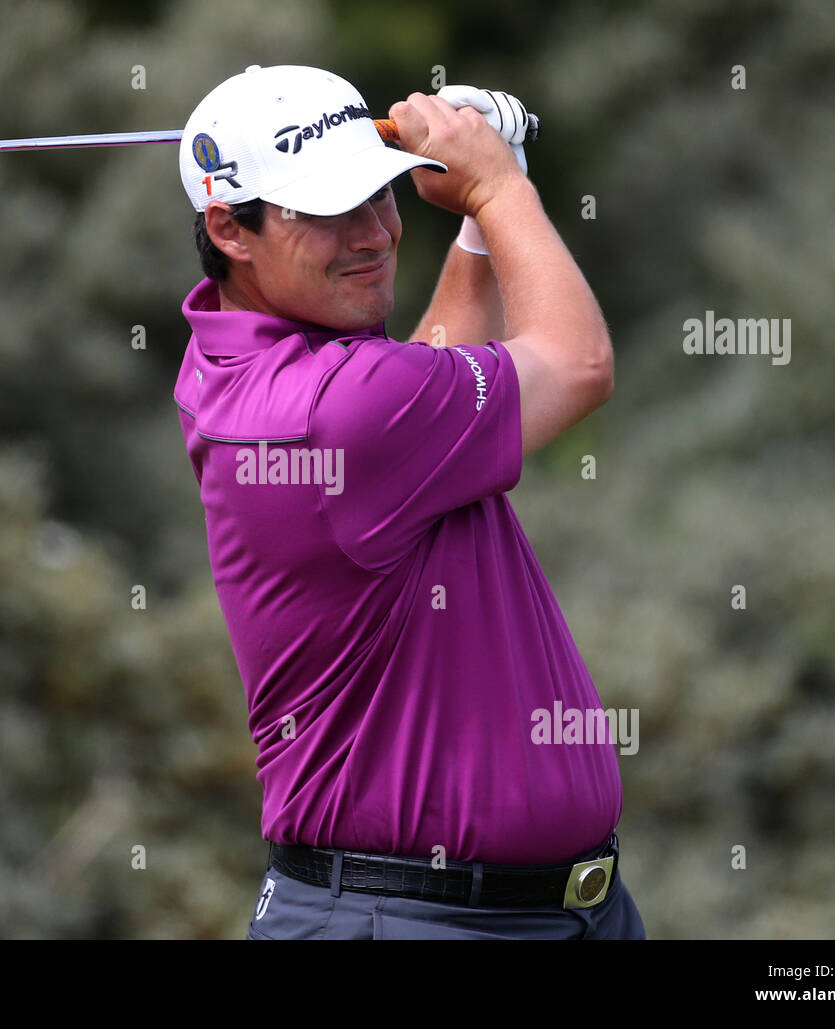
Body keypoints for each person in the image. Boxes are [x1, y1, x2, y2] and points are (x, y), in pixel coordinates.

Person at [173, 64, 645, 940]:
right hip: (409, 918)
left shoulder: (251, 363)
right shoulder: (337, 412)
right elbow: (578, 364)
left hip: (516, 911)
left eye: (378, 195)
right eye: (325, 212)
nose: (374, 233)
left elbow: (421, 379)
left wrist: (473, 223)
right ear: (229, 228)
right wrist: (500, 184)